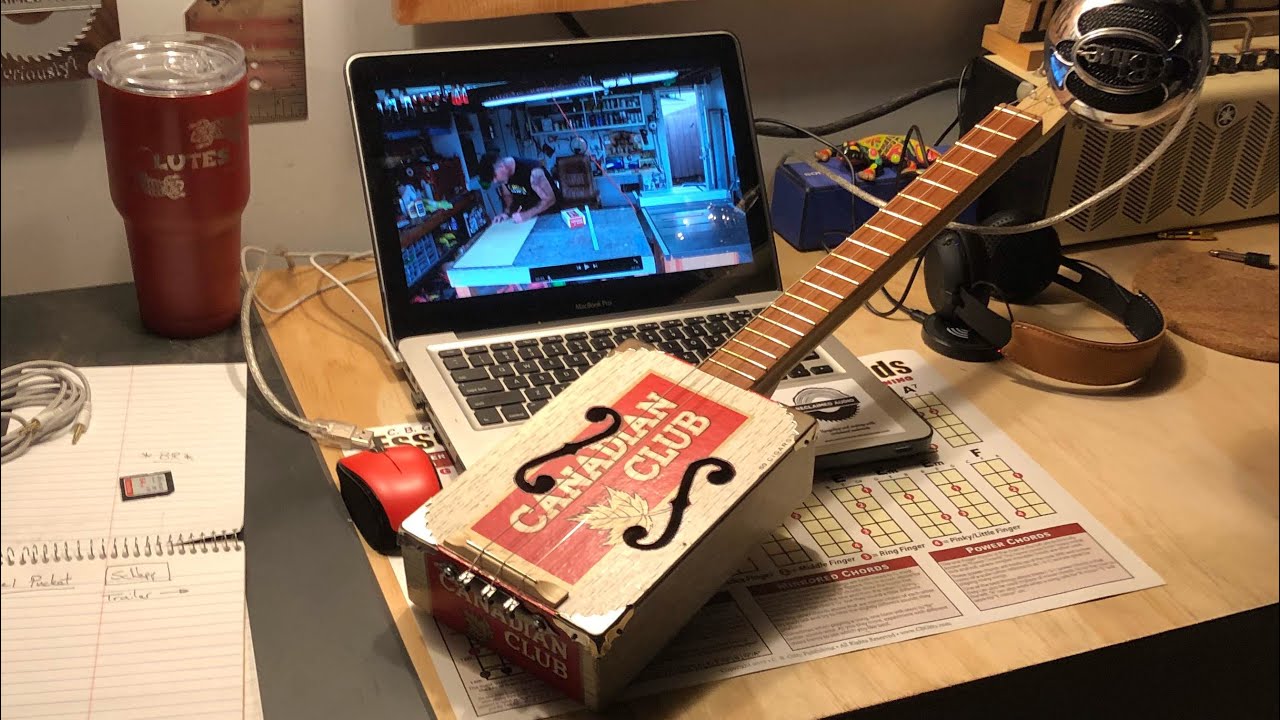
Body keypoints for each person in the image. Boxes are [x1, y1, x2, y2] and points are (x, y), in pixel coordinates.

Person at [477, 152, 559, 223]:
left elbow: (550, 199)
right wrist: (506, 214)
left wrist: (527, 214)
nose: (495, 181)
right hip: (529, 221)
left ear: (502, 166)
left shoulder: (534, 172)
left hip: (551, 216)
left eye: (494, 176)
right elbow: (509, 197)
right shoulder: (504, 177)